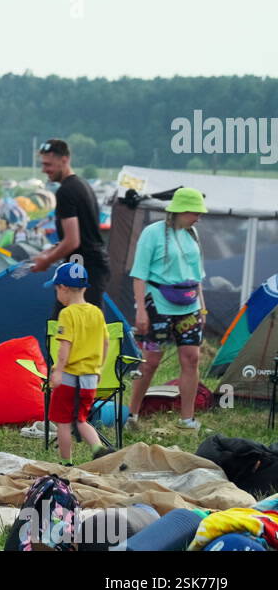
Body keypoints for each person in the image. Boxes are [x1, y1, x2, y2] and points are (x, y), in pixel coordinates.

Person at [127, 188, 208, 430]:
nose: (199, 218)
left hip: (189, 303)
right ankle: (132, 414)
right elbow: (139, 275)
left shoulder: (192, 234)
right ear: (182, 211)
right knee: (151, 360)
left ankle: (187, 419)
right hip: (158, 302)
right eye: (196, 213)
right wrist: (141, 310)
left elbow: (198, 275)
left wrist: (202, 308)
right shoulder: (152, 234)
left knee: (192, 358)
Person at [44, 262, 113, 465]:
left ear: (63, 288)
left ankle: (66, 463)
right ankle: (99, 448)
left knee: (63, 422)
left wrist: (58, 371)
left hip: (69, 376)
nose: (57, 294)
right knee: (81, 419)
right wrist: (98, 367)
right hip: (90, 376)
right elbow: (106, 342)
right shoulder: (96, 312)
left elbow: (65, 346)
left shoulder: (67, 314)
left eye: (56, 289)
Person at [31, 139, 110, 312]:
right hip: (90, 265)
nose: (44, 170)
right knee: (67, 322)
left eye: (48, 164)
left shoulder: (66, 191)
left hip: (84, 266)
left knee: (80, 324)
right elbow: (83, 234)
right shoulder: (82, 185)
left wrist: (46, 261)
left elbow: (73, 241)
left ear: (64, 160)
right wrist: (53, 250)